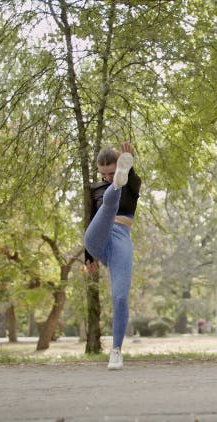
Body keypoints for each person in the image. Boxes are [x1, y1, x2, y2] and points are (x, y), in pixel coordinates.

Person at [84, 142, 141, 370]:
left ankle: (116, 351)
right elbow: (91, 219)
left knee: (120, 297)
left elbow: (133, 179)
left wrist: (128, 166)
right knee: (106, 208)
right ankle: (115, 188)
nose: (106, 177)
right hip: (97, 238)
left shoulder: (133, 183)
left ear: (120, 167)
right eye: (104, 174)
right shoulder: (95, 189)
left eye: (112, 173)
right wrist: (88, 256)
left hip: (120, 240)